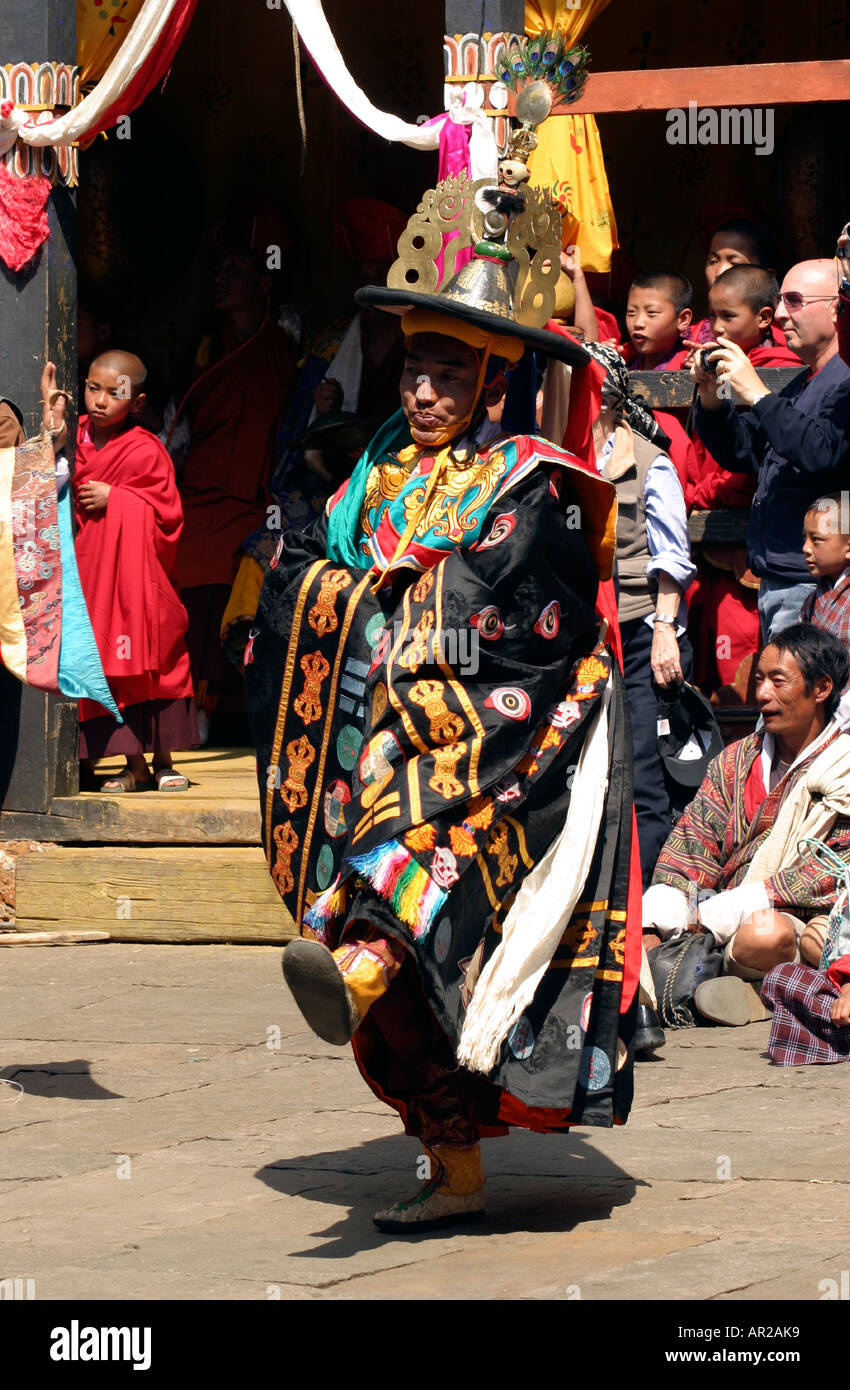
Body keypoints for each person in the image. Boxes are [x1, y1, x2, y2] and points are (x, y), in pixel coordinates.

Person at [246, 183, 640, 1233]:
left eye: (450, 371)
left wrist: (419, 630)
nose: (424, 390)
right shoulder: (365, 478)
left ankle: (365, 960)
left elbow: (536, 623)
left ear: (490, 377)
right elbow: (304, 585)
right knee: (403, 984)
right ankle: (453, 1164)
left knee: (408, 884)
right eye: (416, 366)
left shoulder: (532, 481)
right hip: (370, 730)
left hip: (495, 746)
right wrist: (345, 603)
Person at [643, 624, 850, 1026]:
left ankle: (759, 991)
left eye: (778, 681)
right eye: (759, 680)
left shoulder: (843, 769)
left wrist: (722, 912)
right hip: (710, 914)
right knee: (641, 929)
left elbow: (830, 870)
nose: (761, 695)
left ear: (821, 688)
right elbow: (692, 842)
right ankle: (723, 984)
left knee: (764, 934)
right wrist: (665, 912)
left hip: (792, 916)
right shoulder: (735, 761)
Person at [171, 211, 297, 726]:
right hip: (200, 487)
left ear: (262, 280)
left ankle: (221, 703)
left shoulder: (285, 350)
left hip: (255, 491)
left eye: (233, 270)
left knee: (242, 558)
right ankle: (185, 702)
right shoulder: (209, 346)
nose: (220, 281)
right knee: (187, 560)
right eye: (217, 271)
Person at [55, 351, 197, 791]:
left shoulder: (146, 450)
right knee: (105, 662)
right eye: (92, 388)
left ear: (135, 401)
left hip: (140, 581)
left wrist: (117, 500)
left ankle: (164, 760)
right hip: (92, 576)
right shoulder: (70, 440)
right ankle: (133, 765)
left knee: (153, 653)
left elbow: (169, 519)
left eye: (114, 393)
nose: (100, 401)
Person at [583, 343, 695, 887]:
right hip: (578, 634)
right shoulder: (553, 455)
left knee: (643, 772)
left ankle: (644, 900)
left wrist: (664, 632)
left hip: (635, 628)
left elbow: (671, 558)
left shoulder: (649, 462)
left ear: (601, 398)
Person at [692, 259, 850, 641]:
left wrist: (759, 394)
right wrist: (716, 396)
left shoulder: (845, 381)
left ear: (836, 308)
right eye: (780, 301)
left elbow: (821, 453)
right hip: (781, 577)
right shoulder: (804, 382)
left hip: (815, 585)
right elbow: (744, 451)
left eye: (794, 301)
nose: (780, 314)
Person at [685, 266, 801, 695]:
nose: (716, 328)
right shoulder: (729, 363)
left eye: (728, 318)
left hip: (763, 543)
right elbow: (724, 446)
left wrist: (700, 494)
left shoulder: (778, 370)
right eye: (712, 316)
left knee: (767, 669)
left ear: (765, 318)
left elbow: (753, 463)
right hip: (730, 544)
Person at [690, 216, 784, 349]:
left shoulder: (786, 342)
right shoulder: (688, 338)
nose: (720, 271)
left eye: (735, 263)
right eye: (713, 261)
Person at [623, 271, 693, 371]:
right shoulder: (625, 360)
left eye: (651, 312)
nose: (638, 323)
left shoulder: (692, 367)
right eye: (631, 312)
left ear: (683, 319)